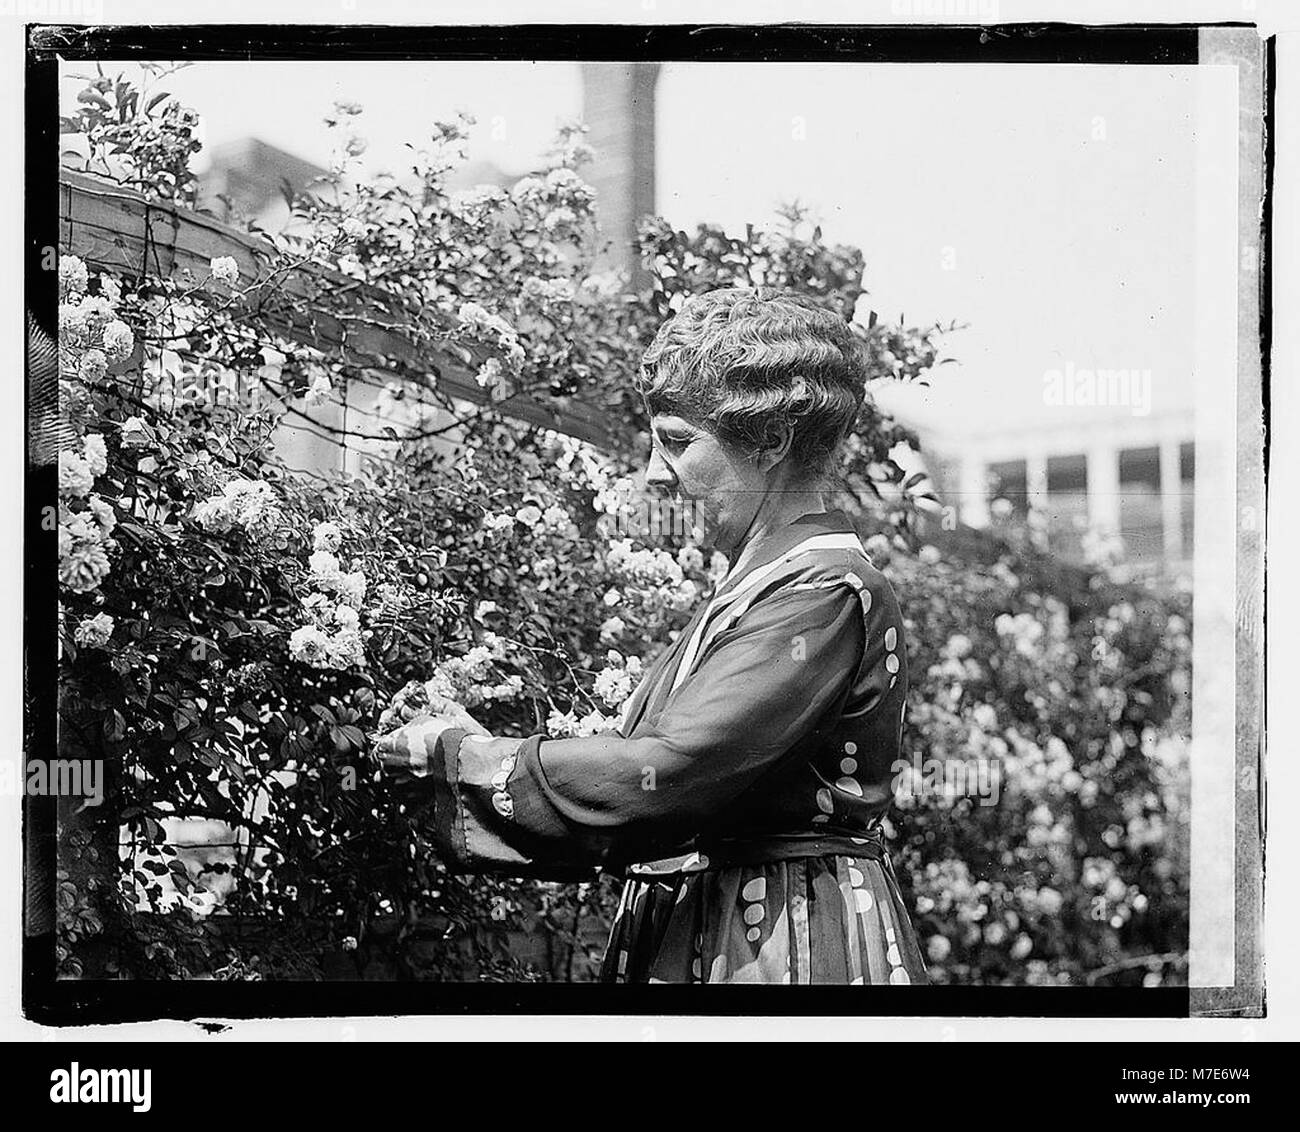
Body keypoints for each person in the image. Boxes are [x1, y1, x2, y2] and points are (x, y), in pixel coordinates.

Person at [377, 286, 928, 985]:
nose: (651, 471)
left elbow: (667, 774)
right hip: (735, 922)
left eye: (676, 441)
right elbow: (646, 768)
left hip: (782, 942)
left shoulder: (821, 594)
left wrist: (465, 757)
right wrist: (472, 745)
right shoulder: (769, 586)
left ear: (770, 441)